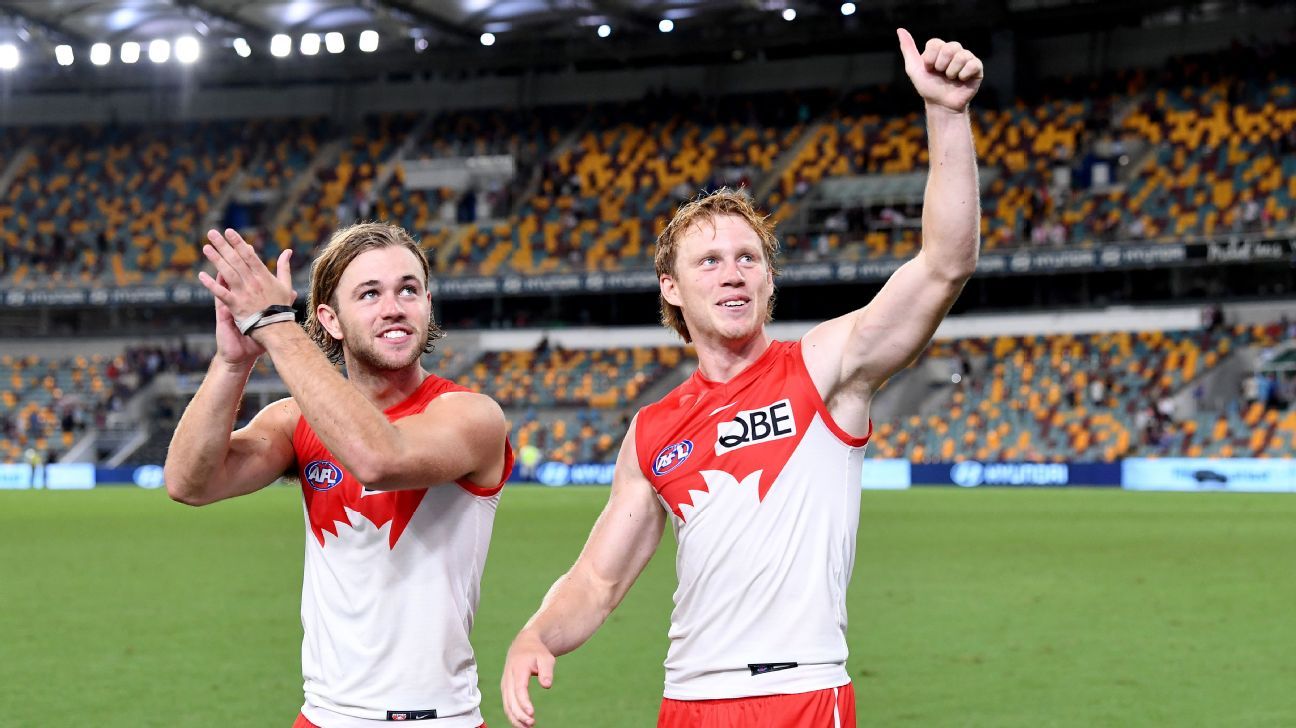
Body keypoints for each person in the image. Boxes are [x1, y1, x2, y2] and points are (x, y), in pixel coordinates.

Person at [501, 28, 982, 728]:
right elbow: (598, 580)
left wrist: (947, 114)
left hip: (806, 694)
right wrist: (535, 634)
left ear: (768, 278)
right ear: (671, 287)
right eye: (710, 261)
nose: (733, 272)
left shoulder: (825, 368)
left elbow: (945, 264)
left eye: (748, 258)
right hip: (690, 700)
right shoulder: (653, 431)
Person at [164, 222, 512, 728]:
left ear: (428, 305)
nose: (394, 307)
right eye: (369, 294)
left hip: (441, 718)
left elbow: (379, 458)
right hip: (323, 716)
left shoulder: (472, 416)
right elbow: (188, 483)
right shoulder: (294, 422)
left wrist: (277, 326)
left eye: (408, 289)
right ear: (330, 319)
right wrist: (232, 361)